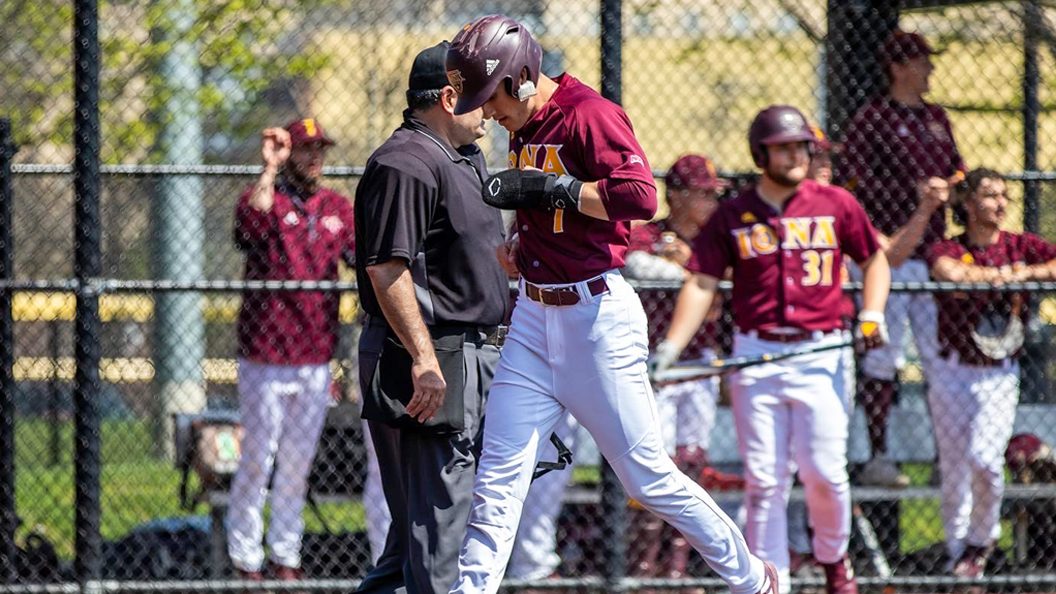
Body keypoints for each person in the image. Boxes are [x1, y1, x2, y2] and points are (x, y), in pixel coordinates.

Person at [445, 15, 778, 594]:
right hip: (532, 318)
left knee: (647, 478)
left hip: (595, 318)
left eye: (492, 97)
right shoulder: (525, 123)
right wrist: (524, 243)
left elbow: (639, 198)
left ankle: (753, 578)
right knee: (497, 477)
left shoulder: (588, 113)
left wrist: (557, 190)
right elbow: (558, 217)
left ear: (521, 78)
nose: (488, 113)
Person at [654, 105, 892, 594]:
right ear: (760, 154)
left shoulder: (837, 203)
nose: (796, 155)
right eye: (783, 147)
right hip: (755, 352)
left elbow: (874, 261)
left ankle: (834, 560)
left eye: (801, 146)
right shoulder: (734, 213)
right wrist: (672, 346)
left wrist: (872, 313)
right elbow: (702, 281)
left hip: (821, 352)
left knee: (825, 474)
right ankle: (769, 583)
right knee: (765, 481)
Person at [352, 41, 510, 594]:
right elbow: (387, 269)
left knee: (413, 546)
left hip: (469, 354)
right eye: (481, 95)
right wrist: (423, 359)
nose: (490, 108)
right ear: (448, 97)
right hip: (433, 361)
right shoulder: (406, 162)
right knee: (440, 538)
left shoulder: (463, 156)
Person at [839, 29, 966, 488]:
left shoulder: (936, 117)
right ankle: (879, 454)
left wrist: (948, 188)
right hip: (885, 251)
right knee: (883, 356)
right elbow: (851, 181)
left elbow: (959, 170)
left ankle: (944, 455)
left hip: (930, 250)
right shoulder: (873, 118)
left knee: (938, 356)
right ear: (898, 67)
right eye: (920, 61)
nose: (929, 68)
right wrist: (905, 192)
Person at [229, 118, 355, 581]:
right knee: (257, 460)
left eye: (319, 149)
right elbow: (247, 227)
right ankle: (246, 559)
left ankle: (286, 556)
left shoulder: (337, 206)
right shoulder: (270, 197)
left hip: (315, 355)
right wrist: (269, 167)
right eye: (305, 149)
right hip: (266, 353)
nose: (314, 157)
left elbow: (361, 258)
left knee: (297, 465)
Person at [925, 169, 1056, 576]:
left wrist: (1023, 273)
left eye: (1004, 196)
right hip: (952, 371)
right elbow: (947, 271)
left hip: (999, 373)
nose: (999, 203)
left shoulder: (1020, 246)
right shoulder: (951, 246)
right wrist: (993, 276)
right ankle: (958, 556)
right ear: (968, 203)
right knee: (954, 469)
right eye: (989, 195)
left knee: (984, 460)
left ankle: (980, 543)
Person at [624, 154, 742, 580]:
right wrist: (682, 269)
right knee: (657, 466)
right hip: (655, 365)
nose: (711, 201)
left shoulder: (717, 239)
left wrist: (688, 261)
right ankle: (643, 570)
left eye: (714, 194)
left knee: (692, 463)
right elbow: (631, 262)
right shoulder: (648, 234)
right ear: (675, 195)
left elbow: (728, 282)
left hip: (700, 363)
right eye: (702, 193)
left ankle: (675, 569)